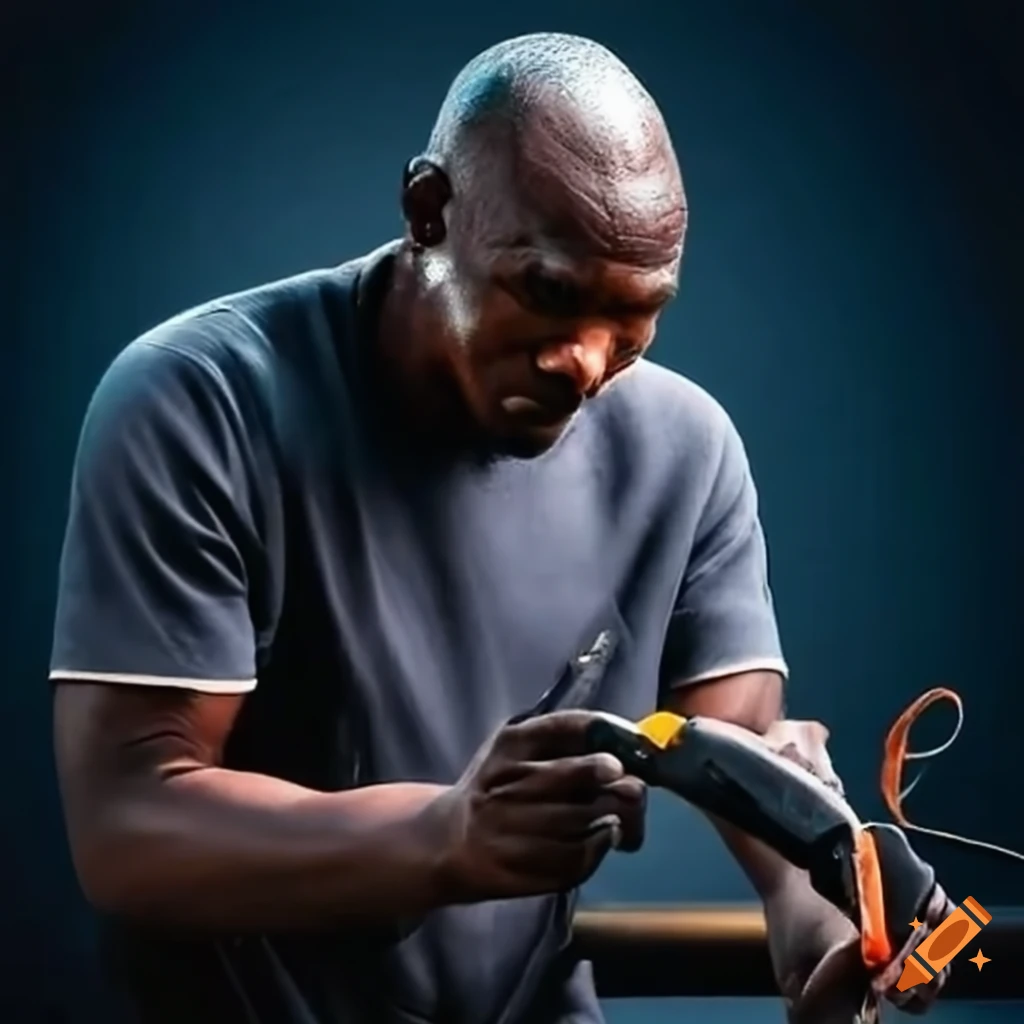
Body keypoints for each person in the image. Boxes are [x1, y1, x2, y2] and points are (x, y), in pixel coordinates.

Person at [49, 32, 950, 1024]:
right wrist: (443, 836)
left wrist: (817, 916)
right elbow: (127, 824)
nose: (587, 362)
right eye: (550, 293)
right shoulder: (200, 400)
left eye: (636, 313)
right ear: (429, 210)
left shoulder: (683, 448)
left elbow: (736, 753)